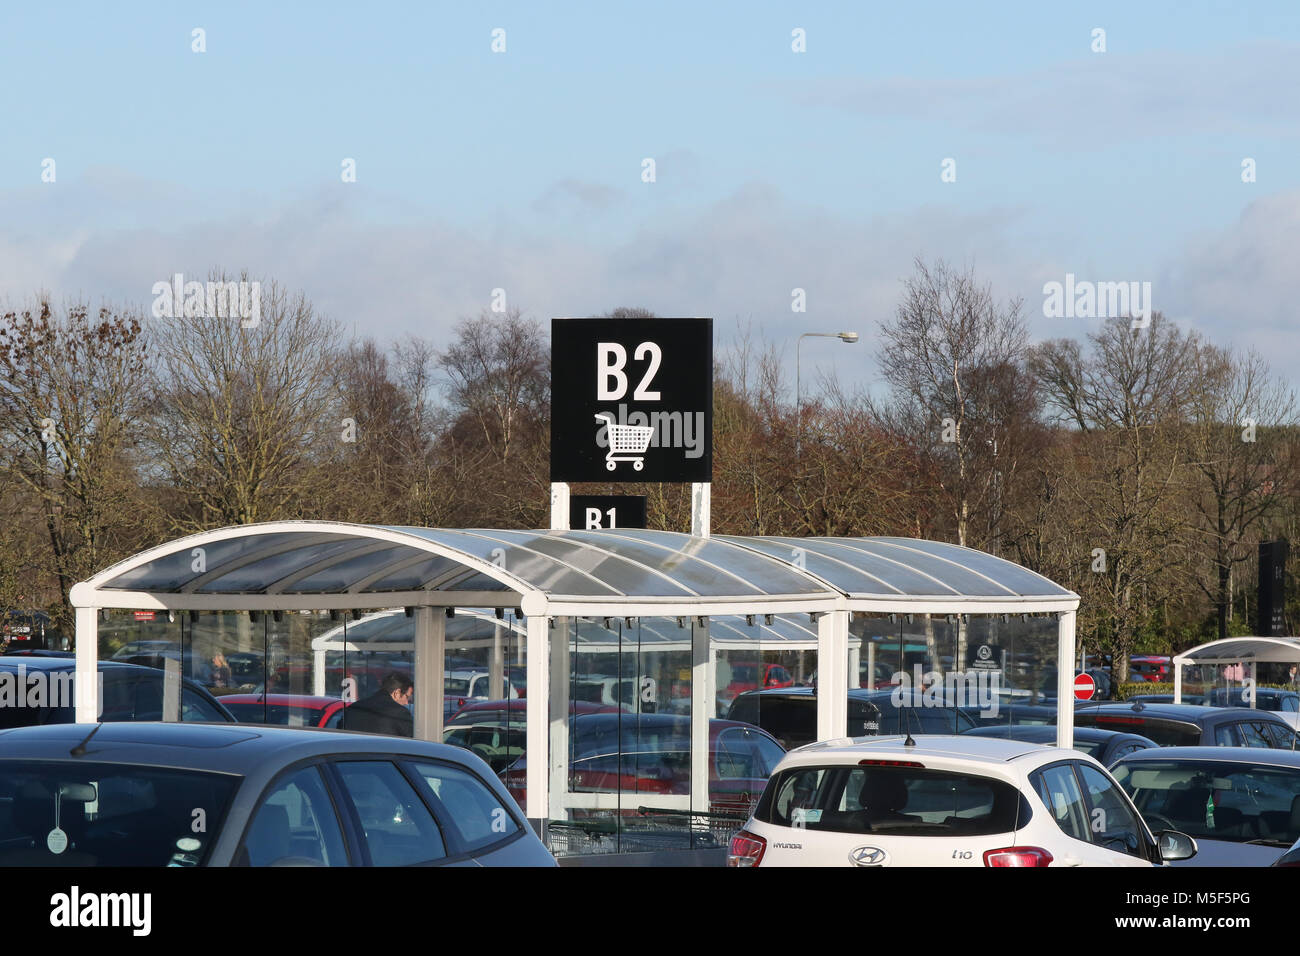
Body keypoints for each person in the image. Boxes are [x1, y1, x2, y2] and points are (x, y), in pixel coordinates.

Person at [343, 671, 414, 737]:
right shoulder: (400, 713)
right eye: (407, 697)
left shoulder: (353, 708)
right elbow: (412, 744)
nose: (407, 702)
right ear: (397, 693)